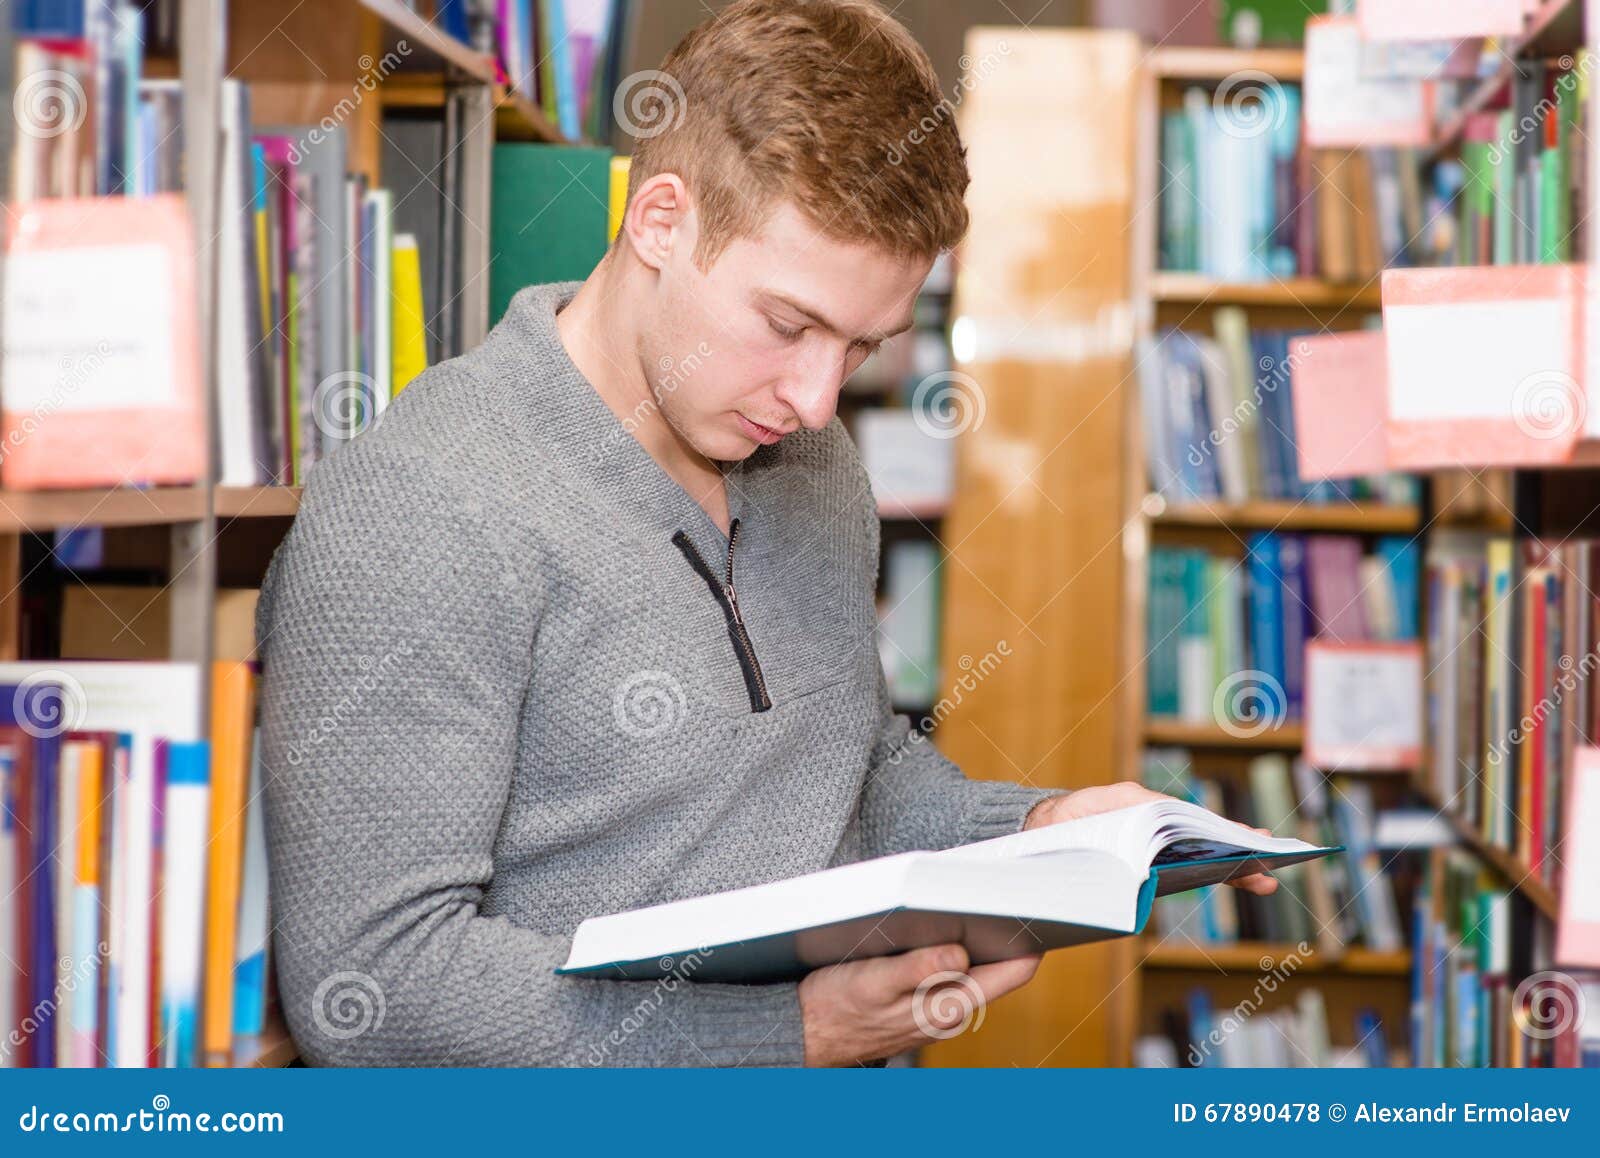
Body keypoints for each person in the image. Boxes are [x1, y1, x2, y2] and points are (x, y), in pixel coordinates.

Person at [254, 0, 1275, 1067]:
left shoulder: (809, 467)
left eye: (862, 344)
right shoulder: (421, 506)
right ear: (659, 220)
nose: (818, 400)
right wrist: (793, 1032)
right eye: (788, 326)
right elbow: (372, 988)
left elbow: (851, 773)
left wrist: (1041, 829)